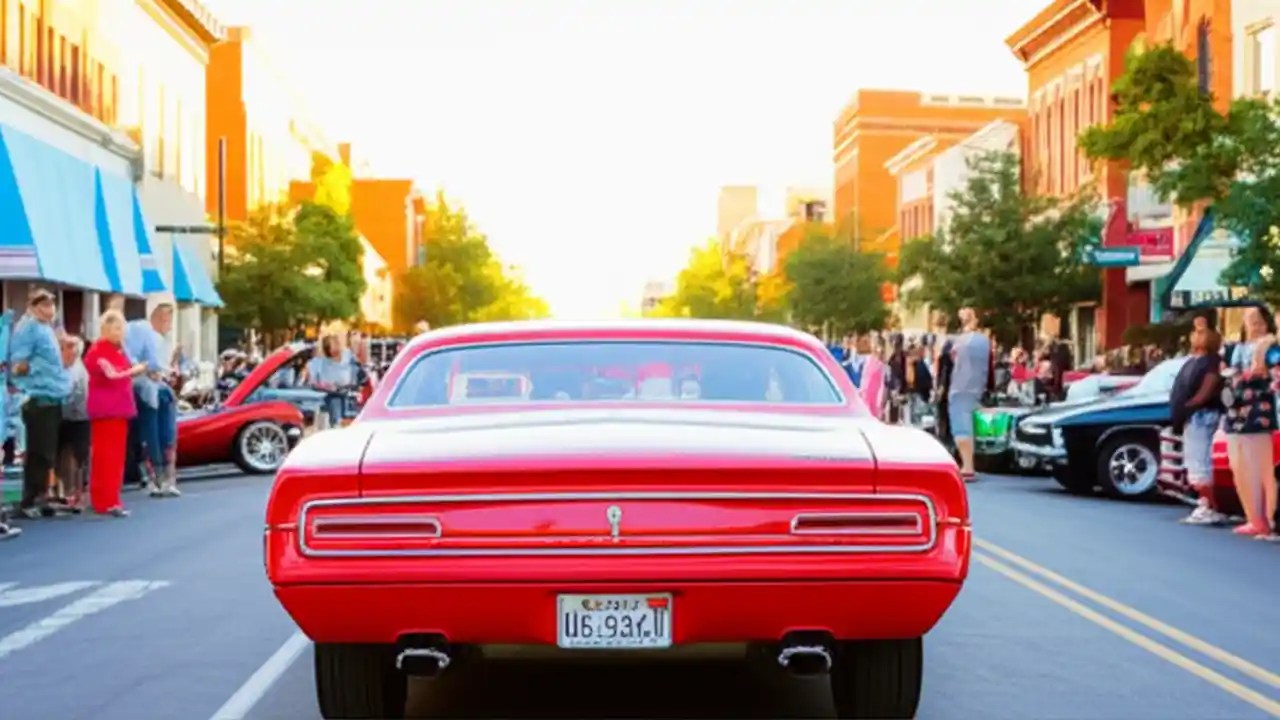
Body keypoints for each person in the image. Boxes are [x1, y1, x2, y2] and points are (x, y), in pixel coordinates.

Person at [9, 289, 70, 519]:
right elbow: (18, 363)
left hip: (53, 396)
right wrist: (34, 371)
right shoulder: (28, 328)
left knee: (48, 453)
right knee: (38, 452)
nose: (49, 309)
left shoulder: (47, 329)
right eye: (43, 305)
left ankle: (42, 495)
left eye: (51, 304)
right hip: (38, 398)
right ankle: (29, 499)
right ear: (32, 307)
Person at [1222, 306, 1279, 539]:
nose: (1254, 325)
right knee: (1239, 465)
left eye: (1258, 320)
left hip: (1258, 409)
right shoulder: (1237, 348)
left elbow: (1274, 367)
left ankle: (1267, 519)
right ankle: (1252, 517)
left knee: (1260, 467)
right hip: (1235, 409)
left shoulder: (1270, 347)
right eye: (1249, 320)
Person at [86, 310, 147, 517]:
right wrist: (134, 371)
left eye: (122, 328)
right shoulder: (98, 352)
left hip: (119, 409)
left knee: (116, 456)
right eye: (116, 328)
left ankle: (112, 498)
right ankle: (103, 500)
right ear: (105, 329)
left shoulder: (119, 351)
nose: (120, 332)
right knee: (105, 455)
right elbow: (112, 375)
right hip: (106, 410)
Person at [1170, 326, 1226, 525]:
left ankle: (1207, 506)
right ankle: (1208, 505)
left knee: (1199, 463)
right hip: (1192, 417)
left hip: (1201, 416)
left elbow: (1207, 389)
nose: (1194, 335)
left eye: (1200, 332)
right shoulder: (1194, 361)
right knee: (1195, 461)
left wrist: (1189, 406)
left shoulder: (1212, 362)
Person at [125, 304, 180, 497]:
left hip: (161, 391)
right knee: (151, 435)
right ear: (156, 318)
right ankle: (155, 478)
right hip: (146, 391)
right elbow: (131, 359)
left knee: (167, 435)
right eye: (166, 320)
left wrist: (168, 373)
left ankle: (168, 478)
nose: (169, 325)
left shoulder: (163, 340)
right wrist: (147, 370)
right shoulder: (140, 330)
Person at [948, 307, 991, 482]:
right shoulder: (984, 341)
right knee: (969, 424)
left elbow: (949, 362)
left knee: (961, 426)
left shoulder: (960, 342)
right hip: (976, 386)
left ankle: (967, 466)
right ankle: (969, 463)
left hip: (960, 387)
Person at [56, 335, 90, 513]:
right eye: (66, 348)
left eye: (72, 348)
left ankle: (78, 495)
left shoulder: (78, 369)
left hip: (79, 417)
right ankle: (64, 492)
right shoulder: (61, 367)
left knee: (78, 457)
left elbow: (71, 393)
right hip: (63, 416)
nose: (70, 351)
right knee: (62, 455)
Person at [307, 334, 354, 429]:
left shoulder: (347, 355)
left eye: (336, 346)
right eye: (331, 349)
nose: (335, 350)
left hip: (348, 392)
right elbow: (313, 382)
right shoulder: (319, 361)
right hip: (332, 395)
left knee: (349, 420)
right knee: (337, 422)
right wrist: (327, 386)